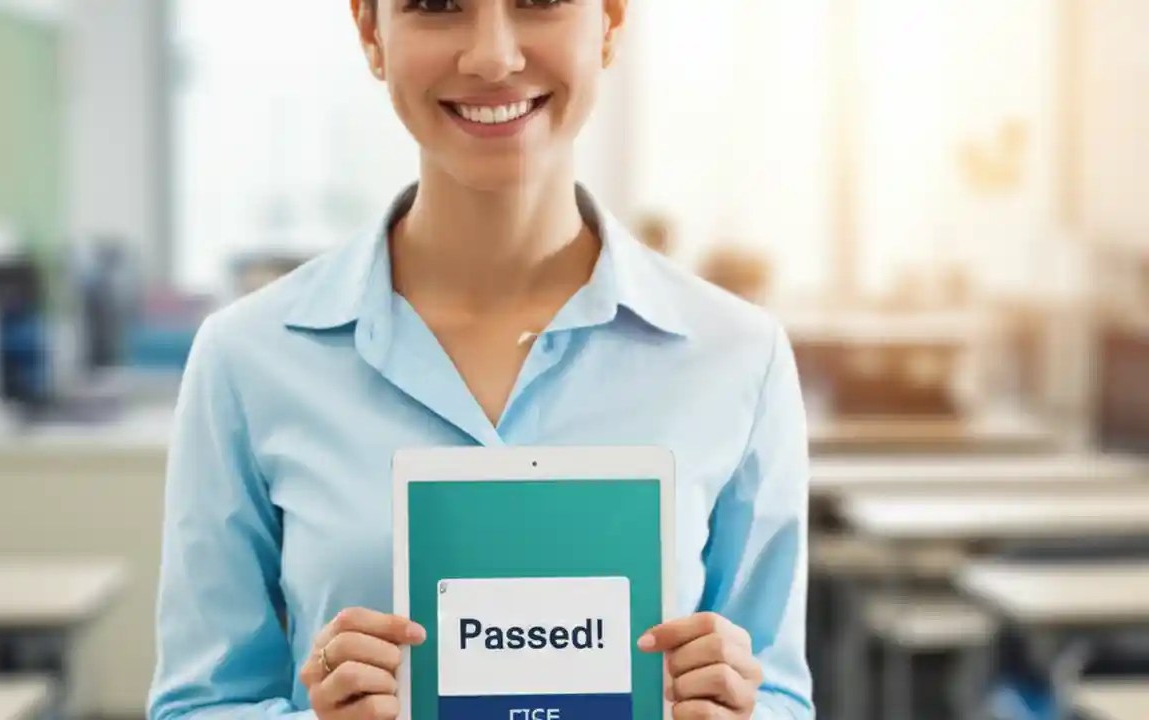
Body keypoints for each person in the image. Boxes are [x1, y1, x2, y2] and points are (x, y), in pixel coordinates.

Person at [148, 1, 813, 718]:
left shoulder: (739, 359)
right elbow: (197, 705)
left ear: (611, 22)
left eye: (538, 1)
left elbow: (777, 694)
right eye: (436, 5)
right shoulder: (248, 359)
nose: (493, 57)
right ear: (372, 33)